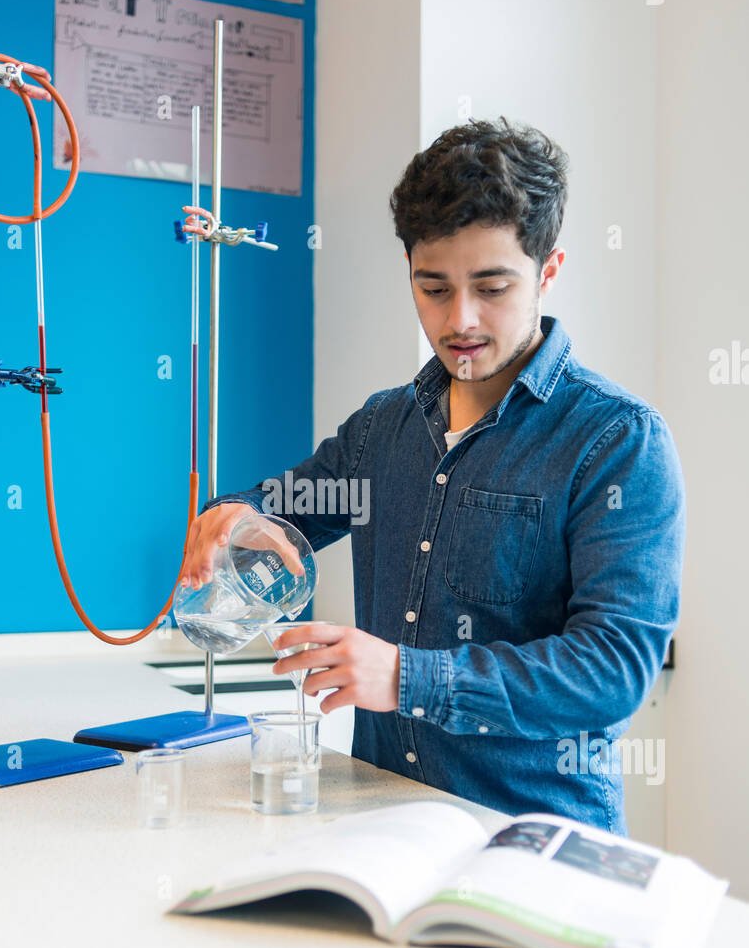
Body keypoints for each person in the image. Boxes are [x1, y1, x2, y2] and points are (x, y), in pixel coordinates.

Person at [178, 118, 685, 834]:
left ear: (548, 271)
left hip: (534, 839)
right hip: (380, 823)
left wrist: (405, 678)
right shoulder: (383, 430)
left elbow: (610, 674)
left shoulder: (616, 441)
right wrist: (229, 514)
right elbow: (281, 509)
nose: (460, 319)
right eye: (433, 287)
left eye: (491, 286)